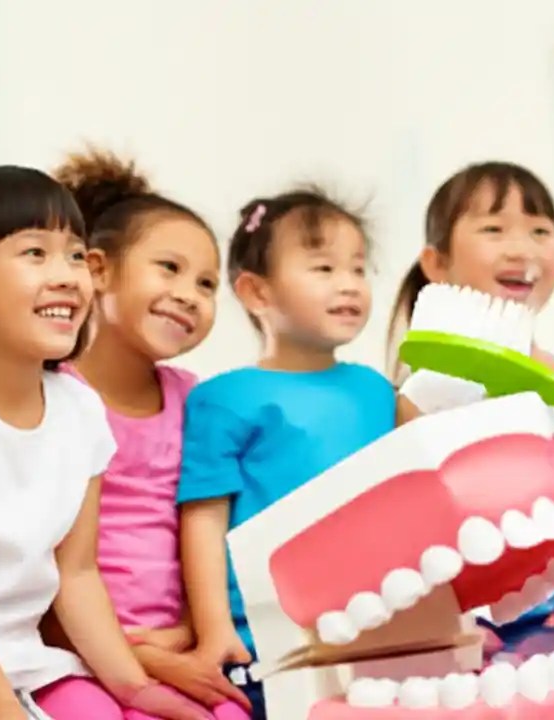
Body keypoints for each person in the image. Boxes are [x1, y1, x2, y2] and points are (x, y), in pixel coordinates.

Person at [0, 164, 208, 720]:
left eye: (73, 254)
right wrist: (4, 715)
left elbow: (78, 574)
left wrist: (135, 689)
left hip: (26, 667)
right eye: (35, 253)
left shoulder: (80, 409)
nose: (68, 275)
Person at [178, 187, 395, 720]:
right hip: (266, 641)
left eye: (358, 269)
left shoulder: (376, 390)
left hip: (376, 633)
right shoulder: (223, 398)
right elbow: (203, 519)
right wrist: (214, 631)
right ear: (256, 293)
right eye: (323, 268)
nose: (348, 284)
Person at [49, 149, 251, 719]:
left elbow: (206, 531)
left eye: (208, 284)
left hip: (180, 643)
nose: (190, 293)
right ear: (98, 270)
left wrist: (190, 632)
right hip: (71, 651)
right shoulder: (53, 396)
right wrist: (137, 654)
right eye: (169, 268)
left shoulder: (198, 400)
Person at [387, 161, 554, 665]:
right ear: (436, 264)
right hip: (460, 620)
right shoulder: (417, 393)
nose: (522, 248)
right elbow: (415, 520)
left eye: (541, 231)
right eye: (493, 230)